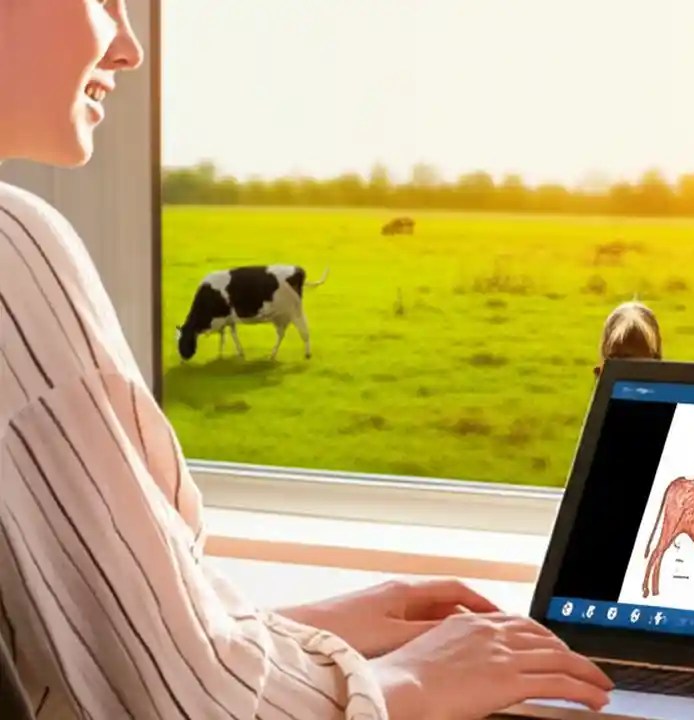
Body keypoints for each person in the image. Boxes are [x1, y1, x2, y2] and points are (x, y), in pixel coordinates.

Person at [0, 1, 613, 718]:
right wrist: (414, 680)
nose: (129, 48)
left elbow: (98, 644)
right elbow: (192, 707)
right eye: (103, 0)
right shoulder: (15, 247)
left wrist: (310, 629)